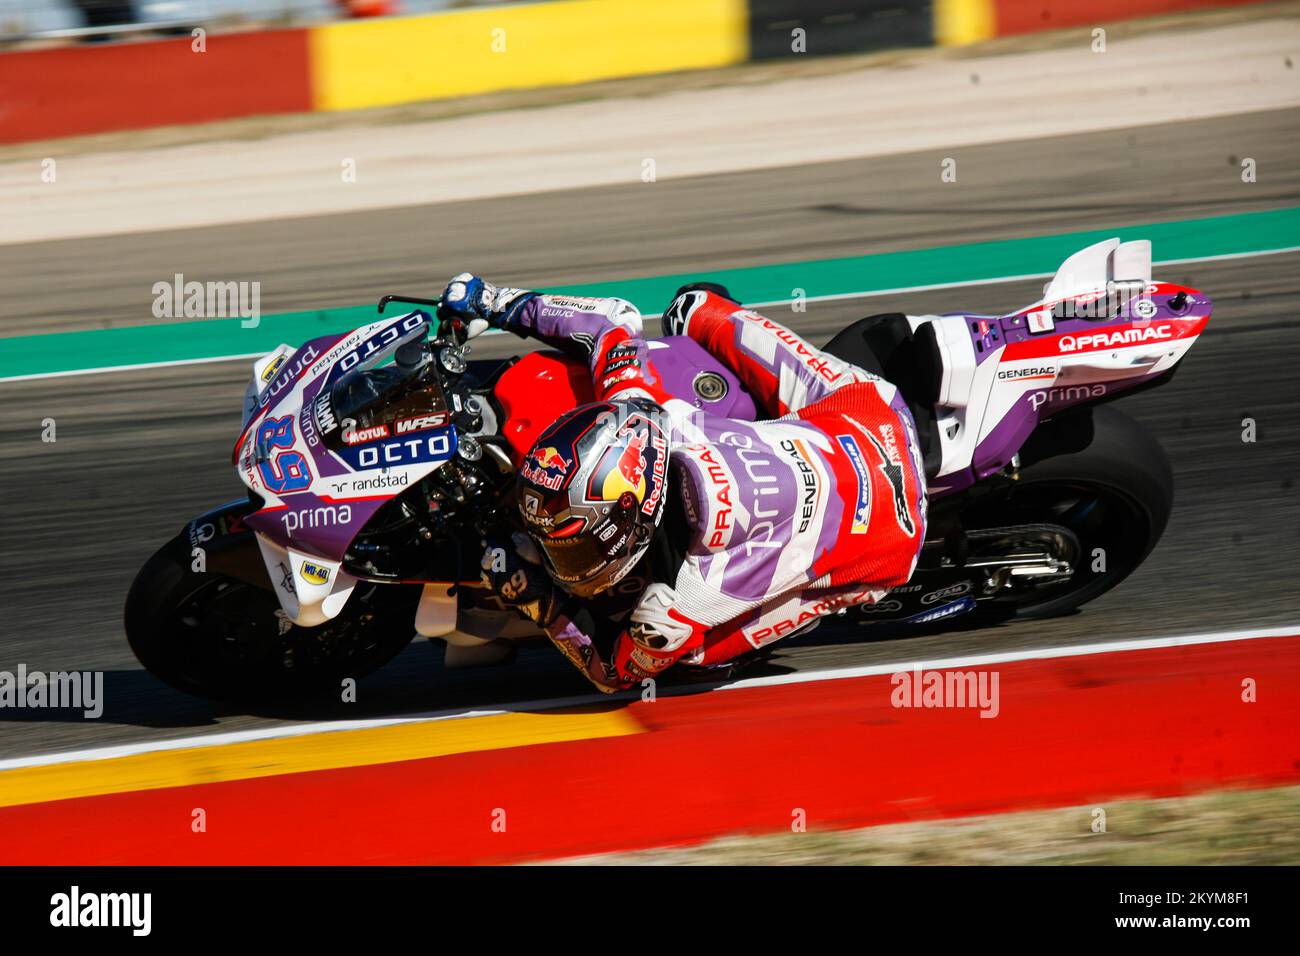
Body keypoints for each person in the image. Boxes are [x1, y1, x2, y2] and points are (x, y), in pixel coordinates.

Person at [440, 273, 927, 693]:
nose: (556, 555)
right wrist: (493, 301)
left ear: (629, 522)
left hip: (890, 543)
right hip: (868, 414)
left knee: (688, 659)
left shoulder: (677, 600)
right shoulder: (643, 414)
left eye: (572, 547)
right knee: (692, 307)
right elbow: (609, 321)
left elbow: (612, 674)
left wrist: (539, 601)